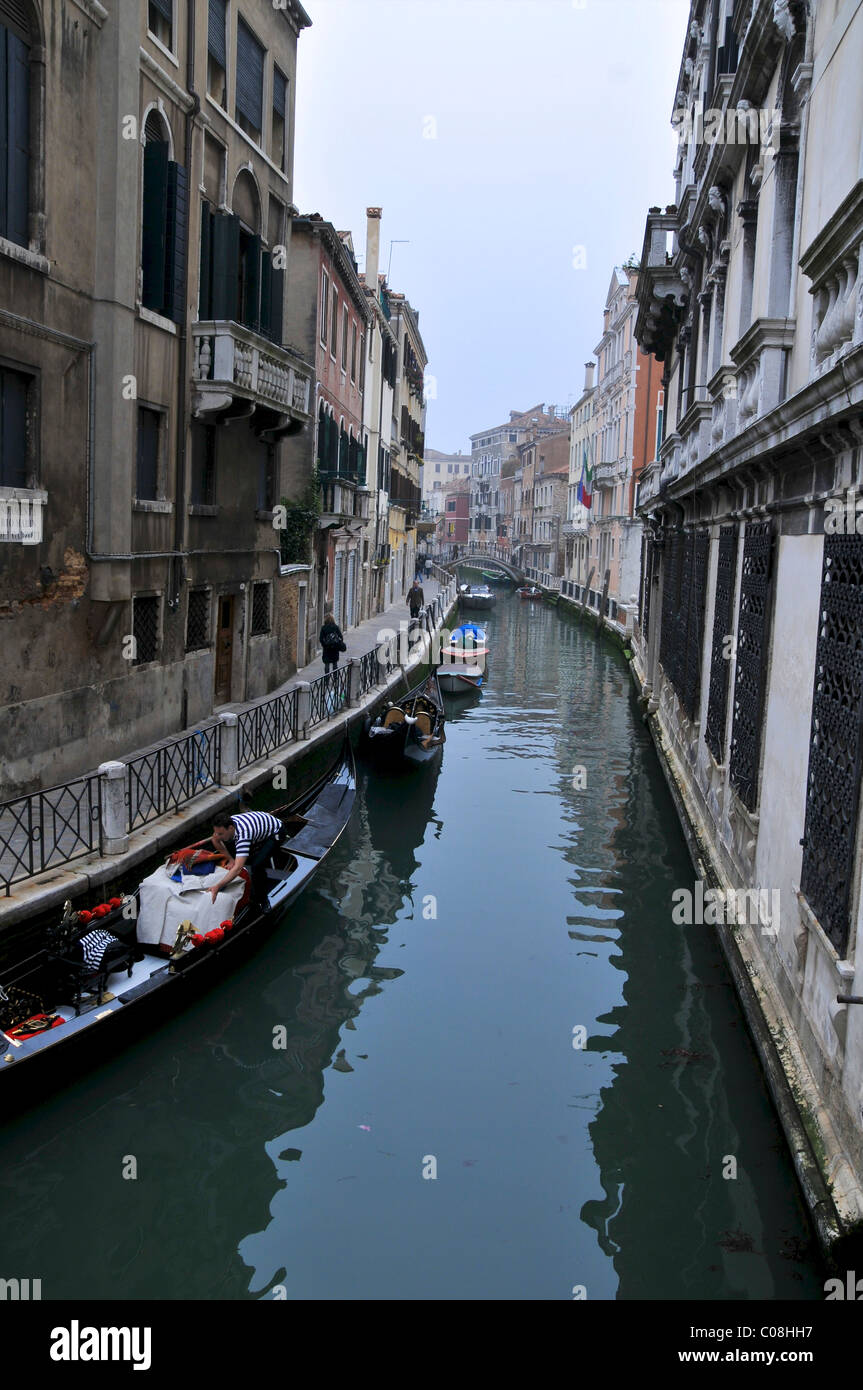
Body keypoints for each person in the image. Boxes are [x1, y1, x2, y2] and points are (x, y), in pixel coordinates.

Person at [209, 809, 284, 903]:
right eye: (217, 833)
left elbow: (238, 868)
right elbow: (215, 840)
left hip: (276, 832)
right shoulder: (225, 825)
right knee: (234, 849)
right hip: (258, 827)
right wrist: (231, 860)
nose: (218, 836)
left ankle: (263, 899)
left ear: (231, 828)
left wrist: (217, 886)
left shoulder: (243, 836)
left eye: (221, 834)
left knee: (256, 865)